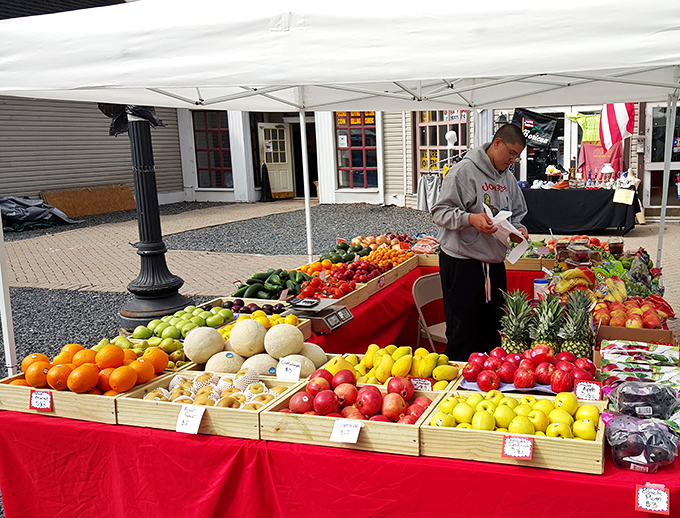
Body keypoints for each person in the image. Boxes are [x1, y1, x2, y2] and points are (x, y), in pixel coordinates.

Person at [431, 123, 529, 362]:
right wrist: (470, 219)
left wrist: (519, 229)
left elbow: (517, 213)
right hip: (462, 263)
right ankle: (456, 391)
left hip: (494, 264)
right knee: (463, 332)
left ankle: (487, 385)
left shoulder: (507, 177)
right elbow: (439, 212)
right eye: (512, 153)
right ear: (497, 143)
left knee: (493, 331)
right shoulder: (463, 171)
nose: (513, 160)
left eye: (518, 156)